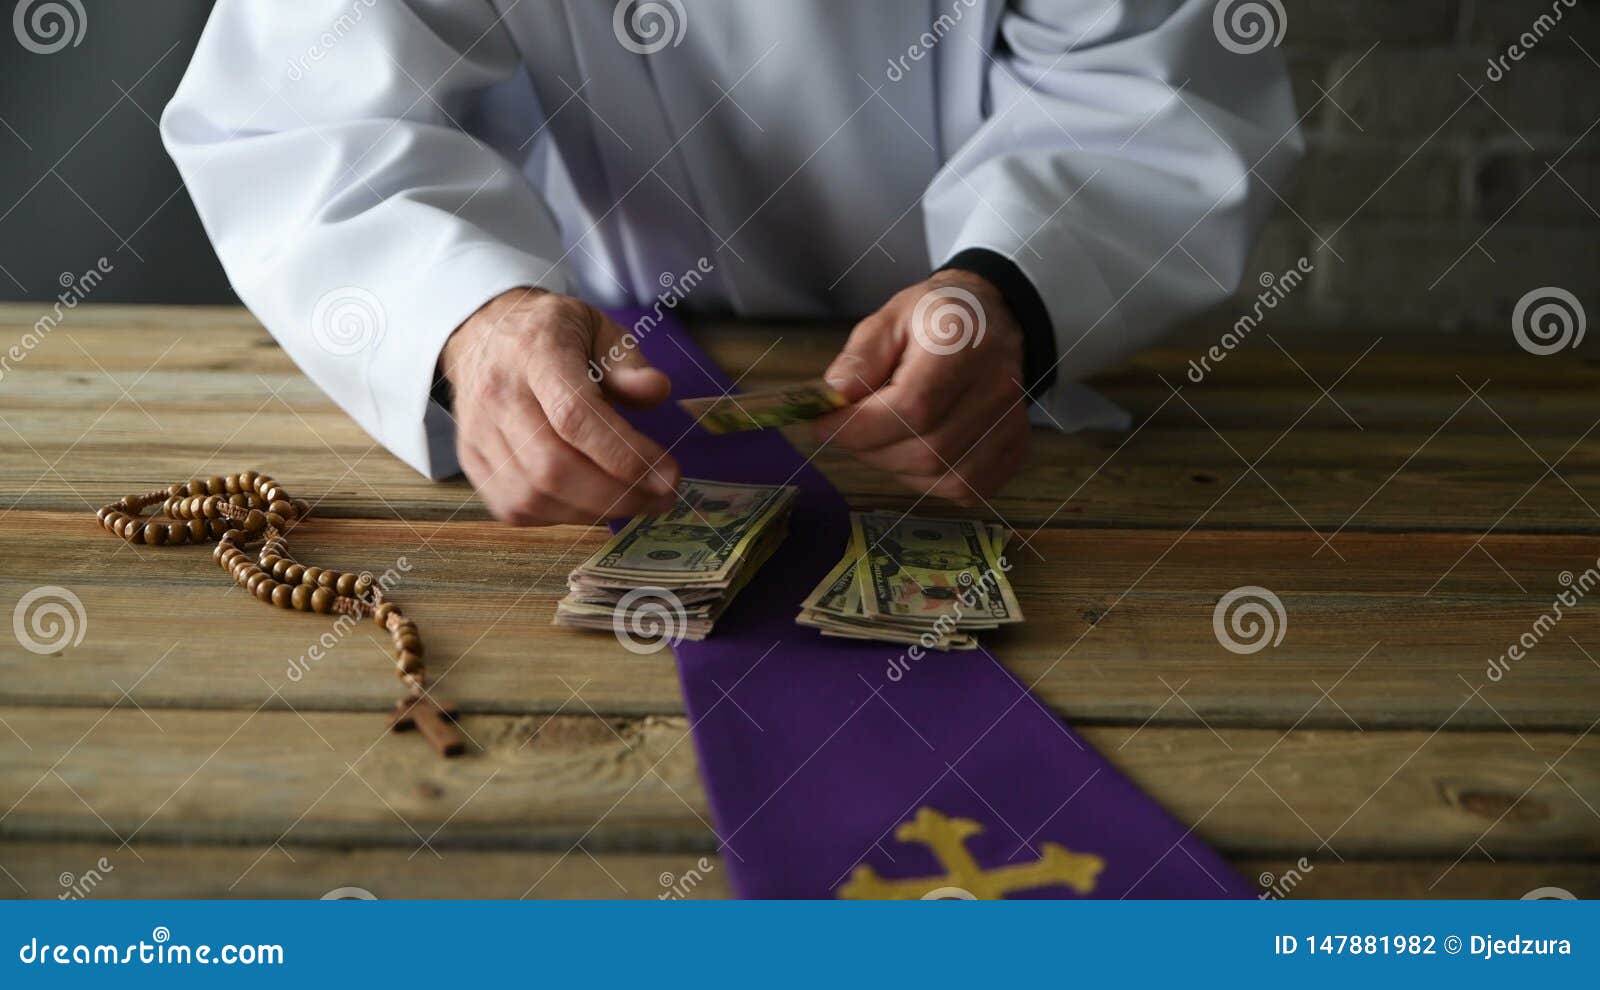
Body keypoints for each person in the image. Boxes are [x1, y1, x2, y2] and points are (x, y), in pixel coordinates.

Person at [162, 0, 1300, 525]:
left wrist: (1010, 287)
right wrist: (470, 319)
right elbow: (303, 115)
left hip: (995, 427)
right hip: (610, 373)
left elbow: (1145, 86)